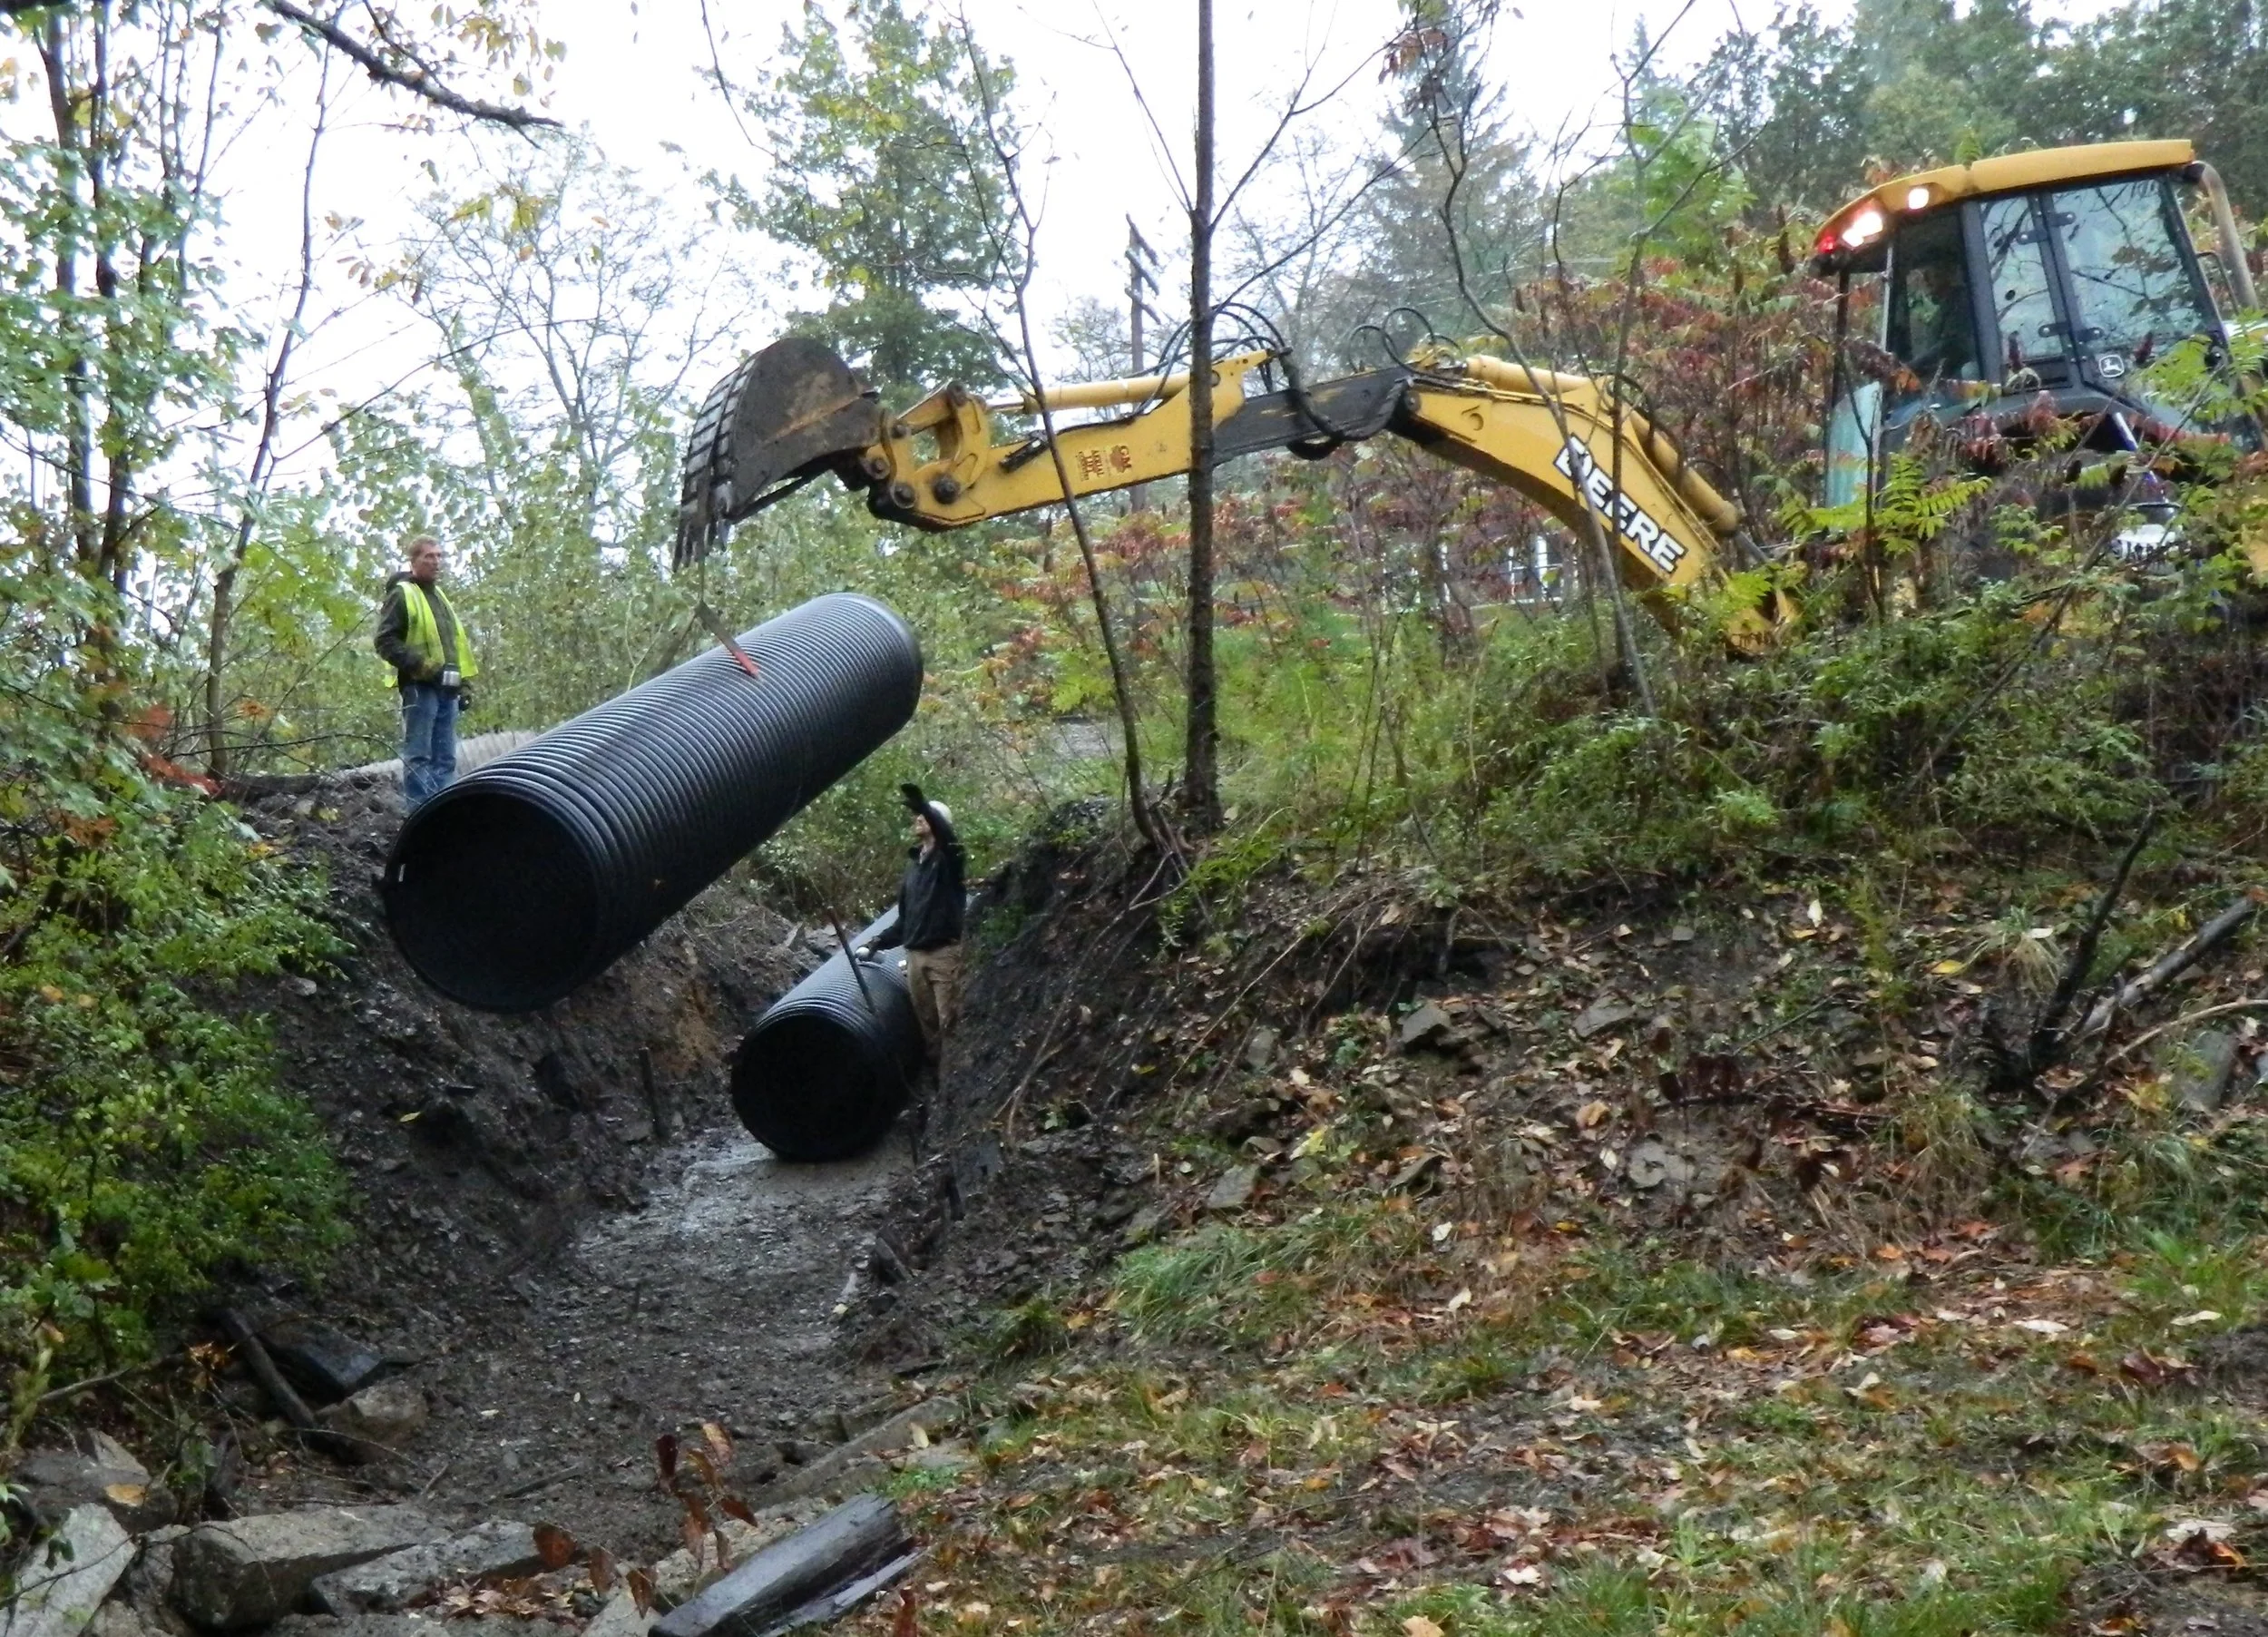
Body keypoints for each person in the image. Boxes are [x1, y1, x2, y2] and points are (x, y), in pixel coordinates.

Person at [863, 782, 965, 1065]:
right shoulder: (913, 867)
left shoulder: (949, 859)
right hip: (915, 958)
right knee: (929, 1028)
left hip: (944, 955)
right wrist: (876, 942)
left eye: (926, 815)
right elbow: (906, 920)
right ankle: (939, 1088)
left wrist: (923, 806)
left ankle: (956, 1083)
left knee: (950, 1024)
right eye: (919, 814)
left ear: (939, 824)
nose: (918, 818)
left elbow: (948, 838)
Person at [374, 535, 477, 809]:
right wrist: (426, 668)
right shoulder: (402, 594)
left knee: (446, 757)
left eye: (439, 556)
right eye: (428, 556)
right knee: (419, 754)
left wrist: (463, 683)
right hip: (420, 686)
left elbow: (453, 647)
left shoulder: (439, 596)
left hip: (448, 689)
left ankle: (442, 813)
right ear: (413, 561)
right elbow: (385, 642)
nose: (436, 562)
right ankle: (419, 813)